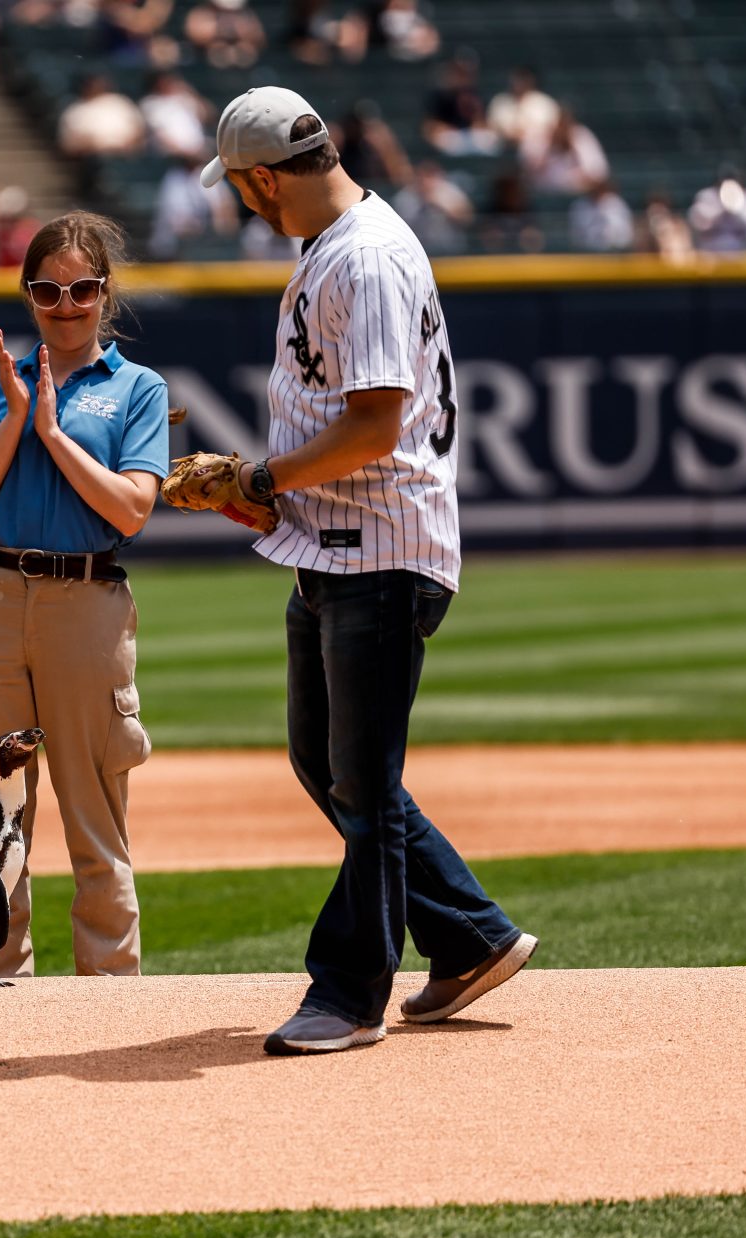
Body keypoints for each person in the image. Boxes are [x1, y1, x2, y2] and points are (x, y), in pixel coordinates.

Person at [193, 87, 537, 1054]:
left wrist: (262, 476)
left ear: (267, 179)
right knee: (328, 764)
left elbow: (377, 424)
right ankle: (470, 937)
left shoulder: (368, 257)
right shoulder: (332, 245)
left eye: (240, 186)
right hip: (334, 542)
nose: (240, 202)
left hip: (381, 551)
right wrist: (273, 494)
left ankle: (348, 995)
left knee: (367, 783)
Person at [0, 211, 172, 982]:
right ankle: (2, 984)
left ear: (105, 292)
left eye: (82, 289)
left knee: (94, 815)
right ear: (28, 294)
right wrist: (15, 420)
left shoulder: (137, 388)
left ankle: (110, 994)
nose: (65, 305)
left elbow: (131, 510)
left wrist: (54, 433)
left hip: (85, 599)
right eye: (47, 290)